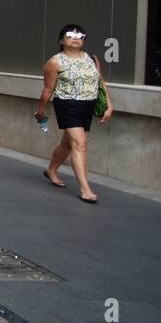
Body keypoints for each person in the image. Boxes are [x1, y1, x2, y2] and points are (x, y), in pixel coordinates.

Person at [35, 23, 113, 203]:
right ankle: (85, 189)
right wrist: (40, 110)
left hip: (88, 105)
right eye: (70, 35)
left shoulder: (91, 58)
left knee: (68, 144)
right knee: (80, 143)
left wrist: (109, 105)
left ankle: (51, 170)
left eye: (80, 35)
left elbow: (100, 82)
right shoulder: (54, 62)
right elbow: (48, 89)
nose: (76, 38)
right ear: (61, 40)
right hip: (67, 105)